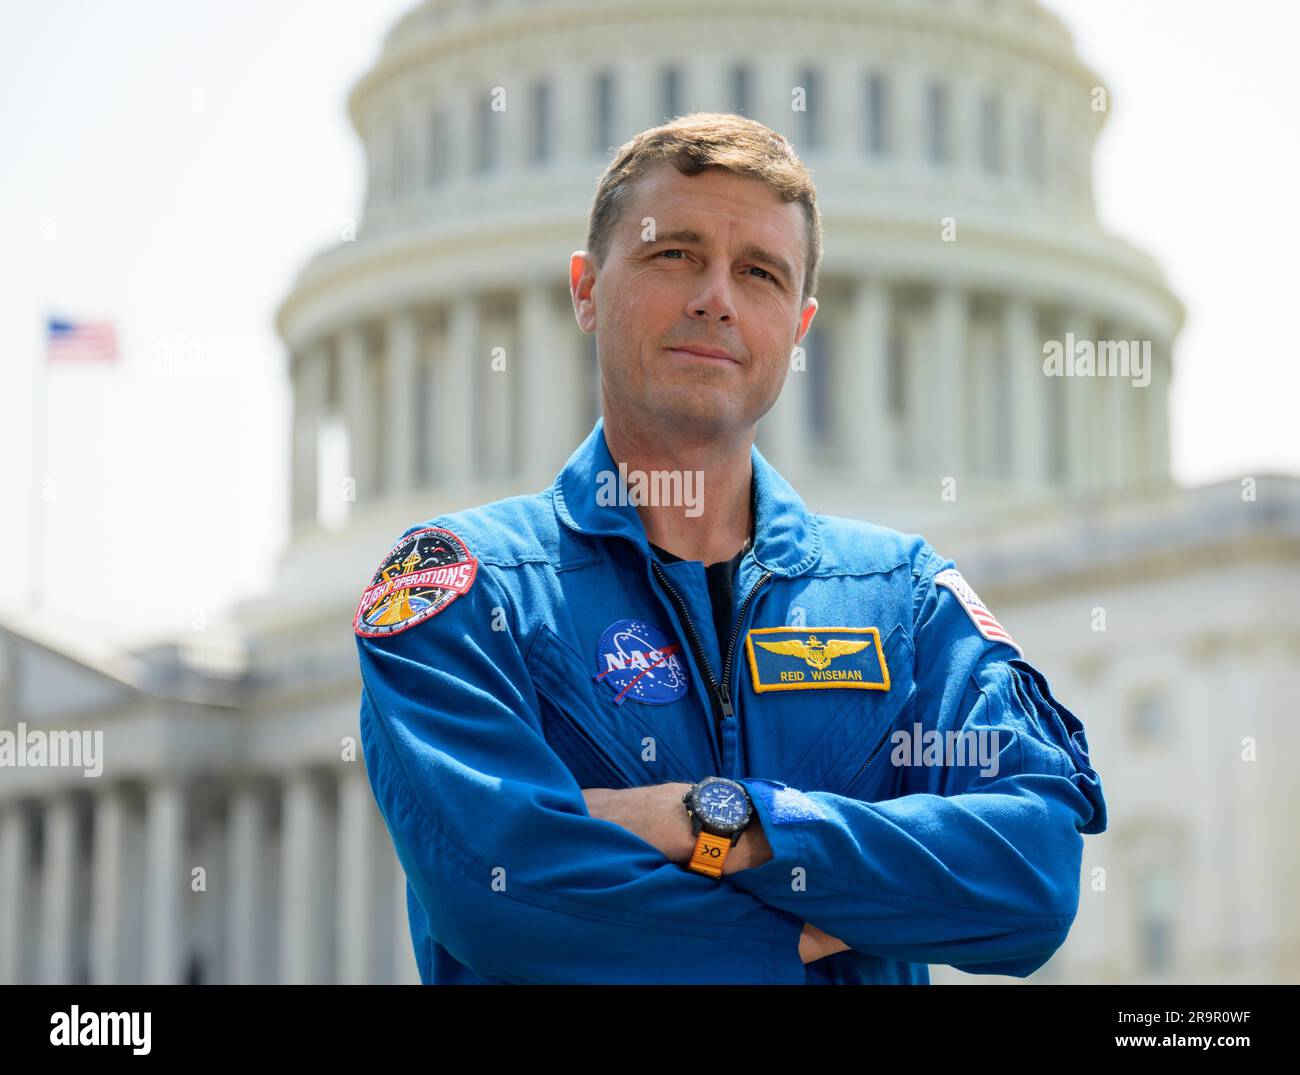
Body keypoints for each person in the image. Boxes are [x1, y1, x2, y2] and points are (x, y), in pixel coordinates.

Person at [353, 112, 1107, 985]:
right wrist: (825, 922)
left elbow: (1033, 873)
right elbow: (506, 896)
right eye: (674, 253)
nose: (715, 295)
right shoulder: (463, 591)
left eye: (758, 272)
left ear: (800, 324)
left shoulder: (902, 601)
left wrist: (725, 820)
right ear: (586, 288)